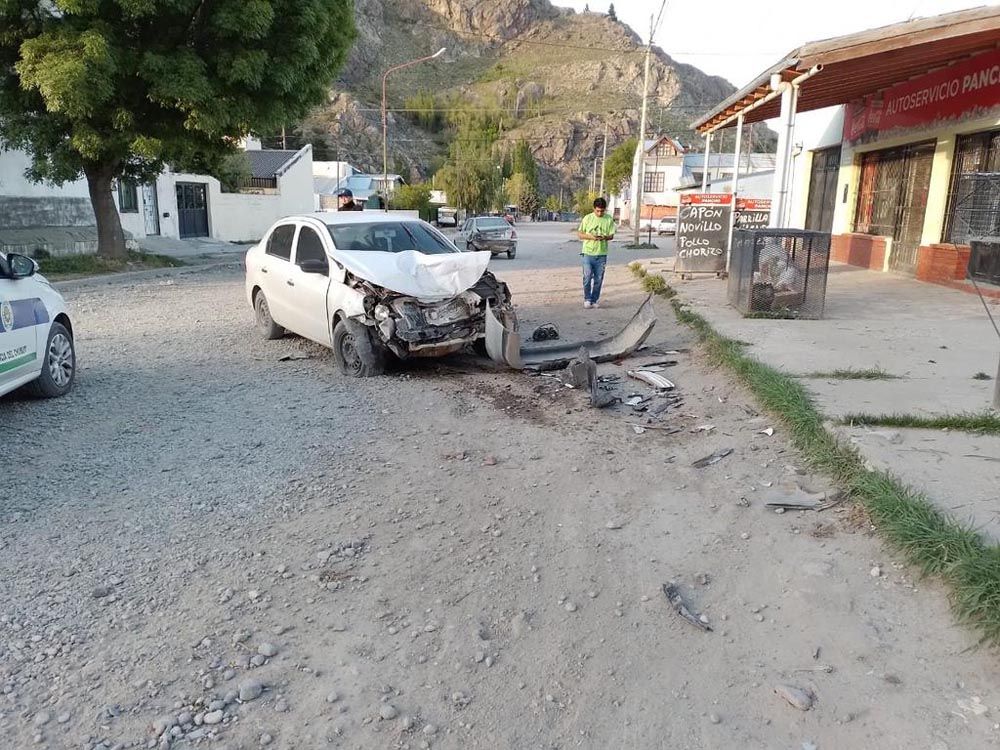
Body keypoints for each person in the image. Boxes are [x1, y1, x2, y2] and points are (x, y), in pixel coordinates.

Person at [576, 197, 615, 308]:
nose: (599, 213)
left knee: (598, 278)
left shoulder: (608, 219)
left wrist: (604, 237)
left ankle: (594, 300)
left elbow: (611, 236)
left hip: (601, 254)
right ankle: (587, 298)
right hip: (588, 253)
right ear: (594, 209)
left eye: (602, 211)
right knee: (587, 277)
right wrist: (591, 237)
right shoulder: (587, 218)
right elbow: (579, 234)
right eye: (597, 211)